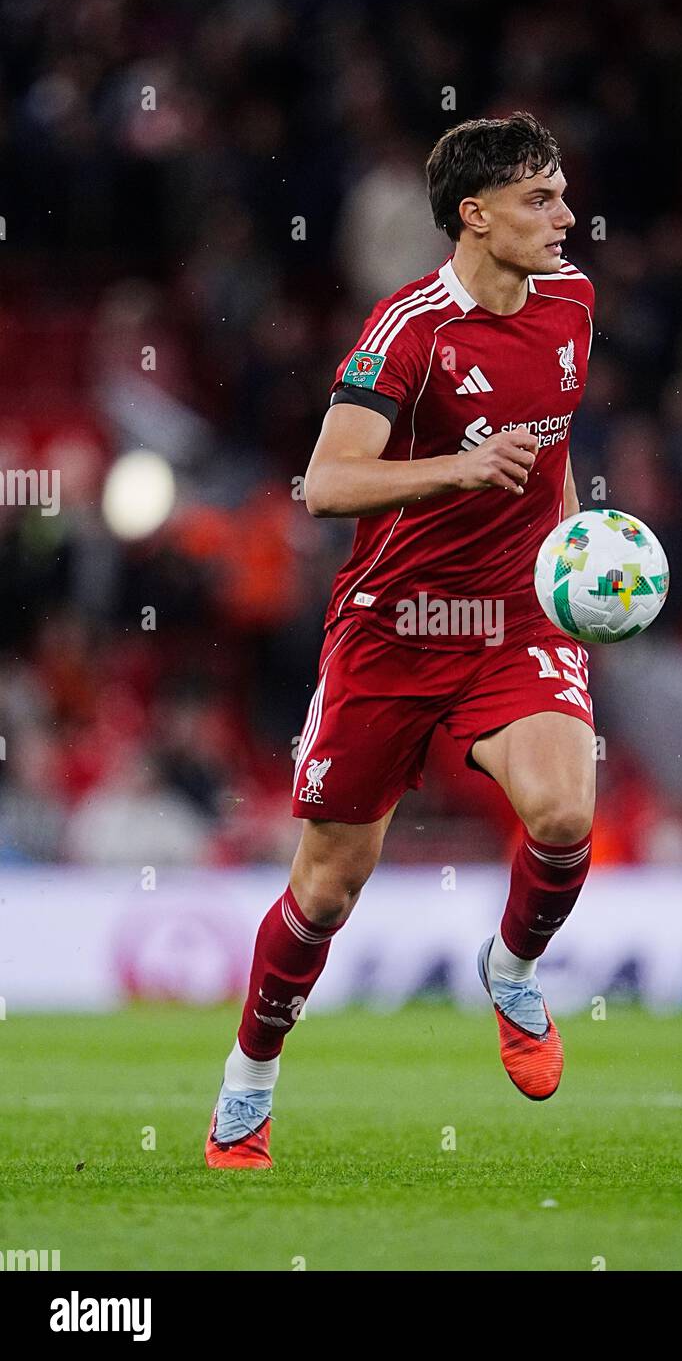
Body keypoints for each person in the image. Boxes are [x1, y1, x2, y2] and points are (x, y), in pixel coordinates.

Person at [205, 111, 597, 1169]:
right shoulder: (406, 331)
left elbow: (552, 445)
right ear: (474, 216)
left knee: (564, 813)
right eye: (539, 199)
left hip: (512, 620)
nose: (565, 216)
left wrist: (571, 558)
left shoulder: (572, 302)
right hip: (391, 628)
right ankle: (248, 1083)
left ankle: (510, 969)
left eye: (560, 194)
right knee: (327, 889)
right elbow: (326, 484)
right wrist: (461, 469)